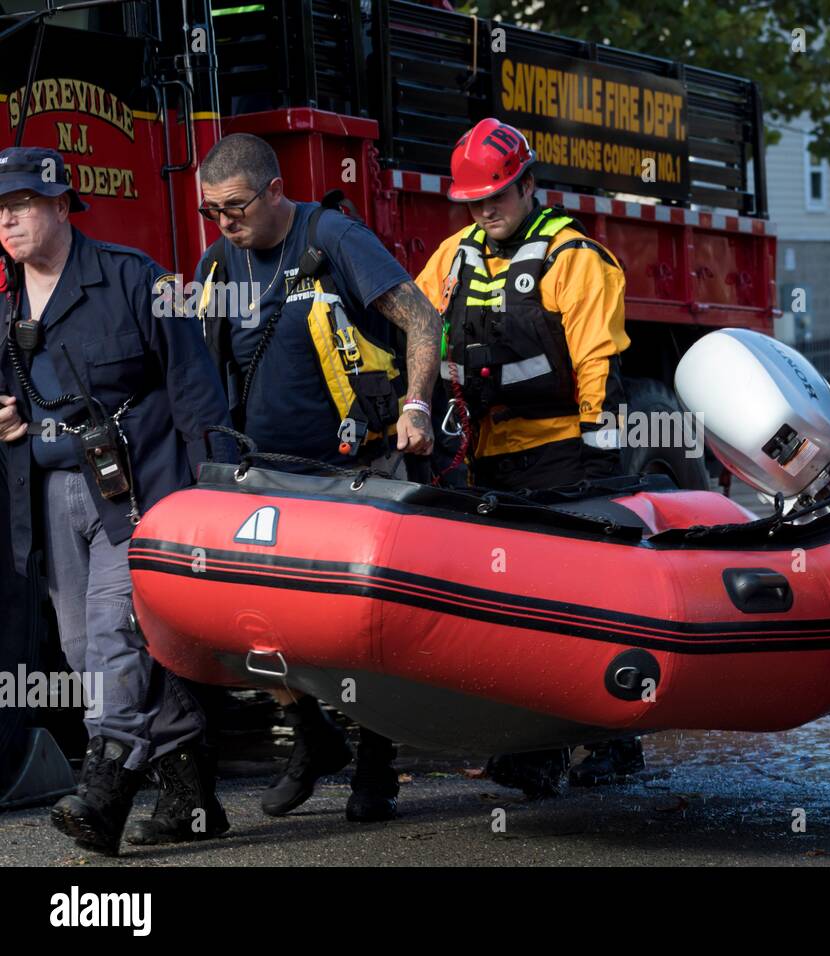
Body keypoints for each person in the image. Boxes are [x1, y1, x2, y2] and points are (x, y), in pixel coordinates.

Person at [193, 133, 438, 824]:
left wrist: (416, 406)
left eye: (236, 206)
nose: (226, 223)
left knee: (363, 629)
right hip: (262, 475)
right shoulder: (216, 263)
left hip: (353, 470)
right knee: (252, 624)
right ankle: (311, 735)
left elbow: (419, 316)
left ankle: (377, 765)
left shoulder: (332, 236)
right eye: (212, 210)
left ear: (275, 189)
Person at [0, 146, 234, 854]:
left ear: (62, 205)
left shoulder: (136, 281)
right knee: (81, 646)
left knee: (112, 636)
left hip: (138, 495)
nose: (7, 221)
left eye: (21, 207)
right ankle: (192, 792)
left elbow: (197, 389)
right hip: (49, 498)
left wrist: (215, 492)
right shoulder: (6, 306)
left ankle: (105, 789)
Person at [414, 118, 644, 797]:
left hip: (561, 457)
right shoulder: (452, 256)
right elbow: (421, 332)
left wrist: (597, 468)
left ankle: (613, 740)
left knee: (583, 602)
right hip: (486, 457)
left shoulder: (577, 261)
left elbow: (597, 363)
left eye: (499, 196)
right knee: (510, 610)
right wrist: (414, 409)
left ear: (529, 186)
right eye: (475, 201)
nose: (487, 211)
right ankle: (535, 748)